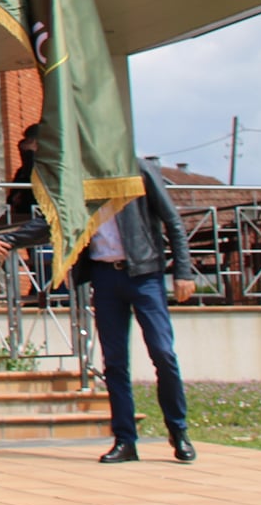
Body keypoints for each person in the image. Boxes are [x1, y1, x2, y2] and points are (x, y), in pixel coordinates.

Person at [77, 157, 197, 465]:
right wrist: (9, 240)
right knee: (115, 362)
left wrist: (184, 271)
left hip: (144, 274)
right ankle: (125, 439)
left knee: (163, 353)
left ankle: (178, 430)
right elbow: (61, 222)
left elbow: (172, 220)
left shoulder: (138, 169)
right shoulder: (81, 176)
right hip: (105, 276)